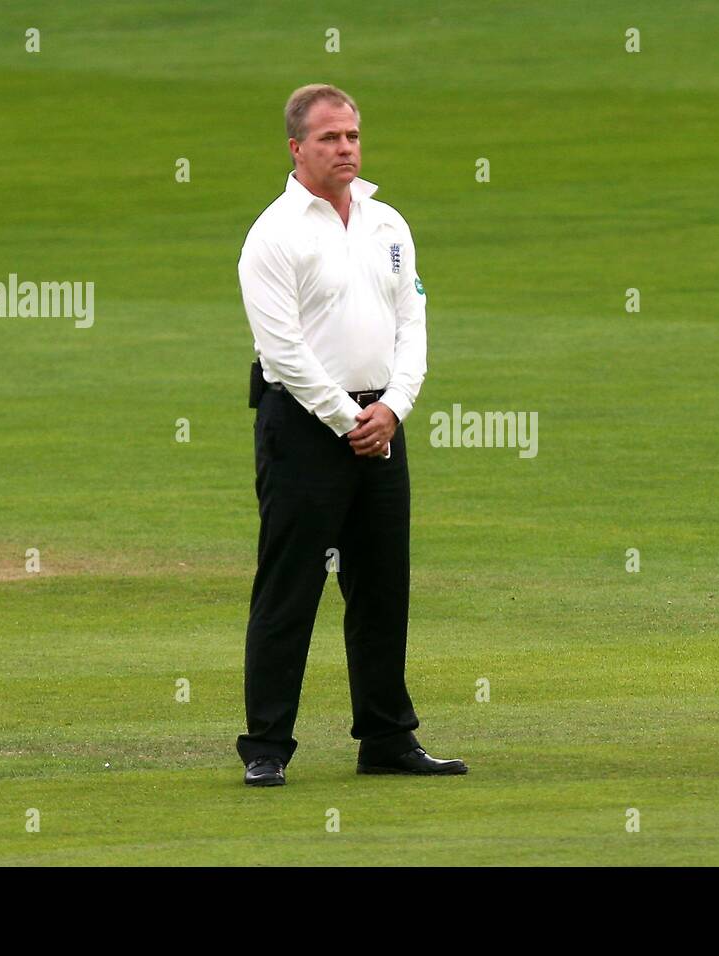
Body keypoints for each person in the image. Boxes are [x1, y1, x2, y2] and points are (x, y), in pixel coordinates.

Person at [234, 83, 467, 787]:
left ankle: (387, 738)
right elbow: (282, 352)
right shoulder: (275, 234)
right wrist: (347, 419)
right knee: (290, 586)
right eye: (330, 137)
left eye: (353, 136)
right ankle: (268, 745)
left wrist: (394, 407)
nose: (345, 148)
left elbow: (411, 323)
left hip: (381, 425)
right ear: (296, 148)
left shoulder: (387, 223)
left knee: (382, 587)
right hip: (304, 429)